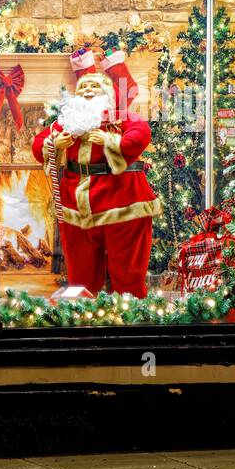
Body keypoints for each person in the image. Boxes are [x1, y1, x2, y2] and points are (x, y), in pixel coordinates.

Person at [32, 57, 160, 297]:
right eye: (83, 87)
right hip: (76, 206)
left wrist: (110, 140)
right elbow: (39, 144)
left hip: (121, 203)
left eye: (95, 87)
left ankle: (129, 312)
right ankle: (84, 312)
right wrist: (54, 143)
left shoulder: (121, 117)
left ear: (108, 94)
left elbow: (141, 134)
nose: (88, 90)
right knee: (81, 271)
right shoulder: (67, 122)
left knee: (127, 268)